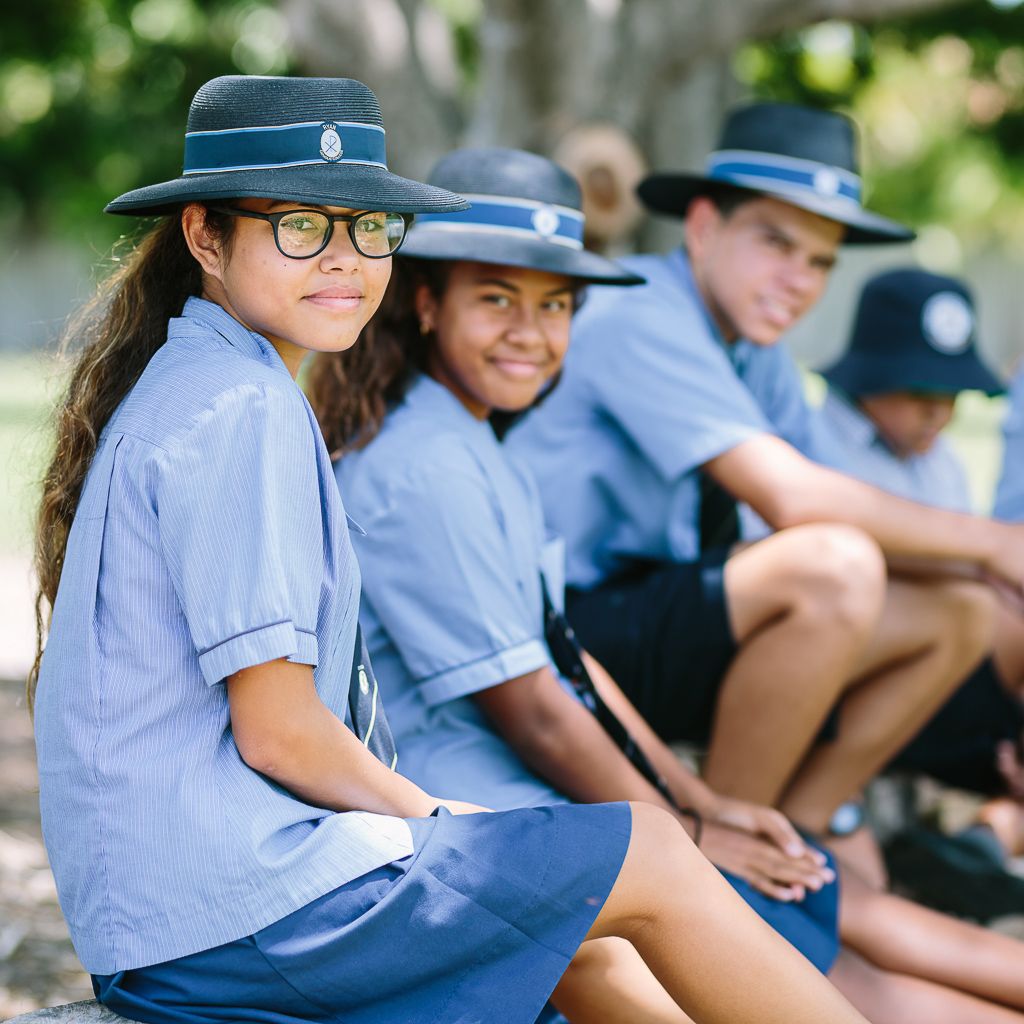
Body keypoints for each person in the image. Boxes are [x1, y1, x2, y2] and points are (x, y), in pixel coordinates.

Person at [28, 75, 871, 1024]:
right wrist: (442, 818)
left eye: (369, 228)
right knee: (650, 851)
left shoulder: (210, 375)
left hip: (176, 920)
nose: (343, 260)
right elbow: (279, 731)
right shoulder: (240, 407)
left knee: (588, 944)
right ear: (205, 236)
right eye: (300, 225)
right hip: (233, 914)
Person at [313, 146, 1024, 1024]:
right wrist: (689, 837)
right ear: (425, 302)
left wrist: (702, 800)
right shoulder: (424, 464)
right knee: (846, 984)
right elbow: (534, 704)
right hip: (494, 820)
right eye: (496, 298)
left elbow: (560, 654)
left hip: (564, 792)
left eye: (557, 306)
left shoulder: (473, 440)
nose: (530, 333)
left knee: (849, 949)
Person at [506, 102, 1024, 875]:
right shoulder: (638, 310)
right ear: (705, 228)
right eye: (776, 243)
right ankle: (718, 866)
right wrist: (996, 542)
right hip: (565, 630)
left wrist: (991, 578)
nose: (799, 281)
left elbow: (850, 509)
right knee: (834, 567)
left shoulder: (759, 354)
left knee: (963, 611)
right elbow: (799, 505)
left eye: (820, 261)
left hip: (663, 613)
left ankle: (804, 829)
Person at [812, 267, 1024, 915]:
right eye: (921, 389)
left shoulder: (941, 461)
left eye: (954, 392)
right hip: (865, 675)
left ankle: (986, 838)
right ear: (870, 375)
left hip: (954, 682)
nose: (941, 410)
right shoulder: (819, 448)